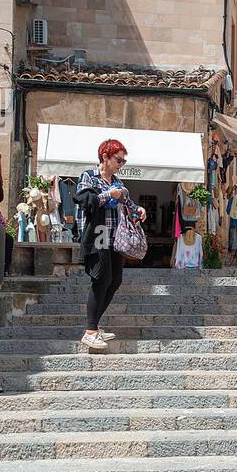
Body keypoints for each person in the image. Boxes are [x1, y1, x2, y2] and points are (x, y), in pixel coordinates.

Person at [74, 138, 146, 351]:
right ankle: (90, 331)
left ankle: (95, 324)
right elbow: (85, 201)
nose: (120, 165)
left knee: (114, 280)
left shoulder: (119, 183)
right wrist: (108, 194)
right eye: (118, 160)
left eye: (123, 162)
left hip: (117, 237)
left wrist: (138, 210)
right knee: (101, 279)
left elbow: (128, 204)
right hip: (98, 233)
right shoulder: (89, 177)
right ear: (104, 156)